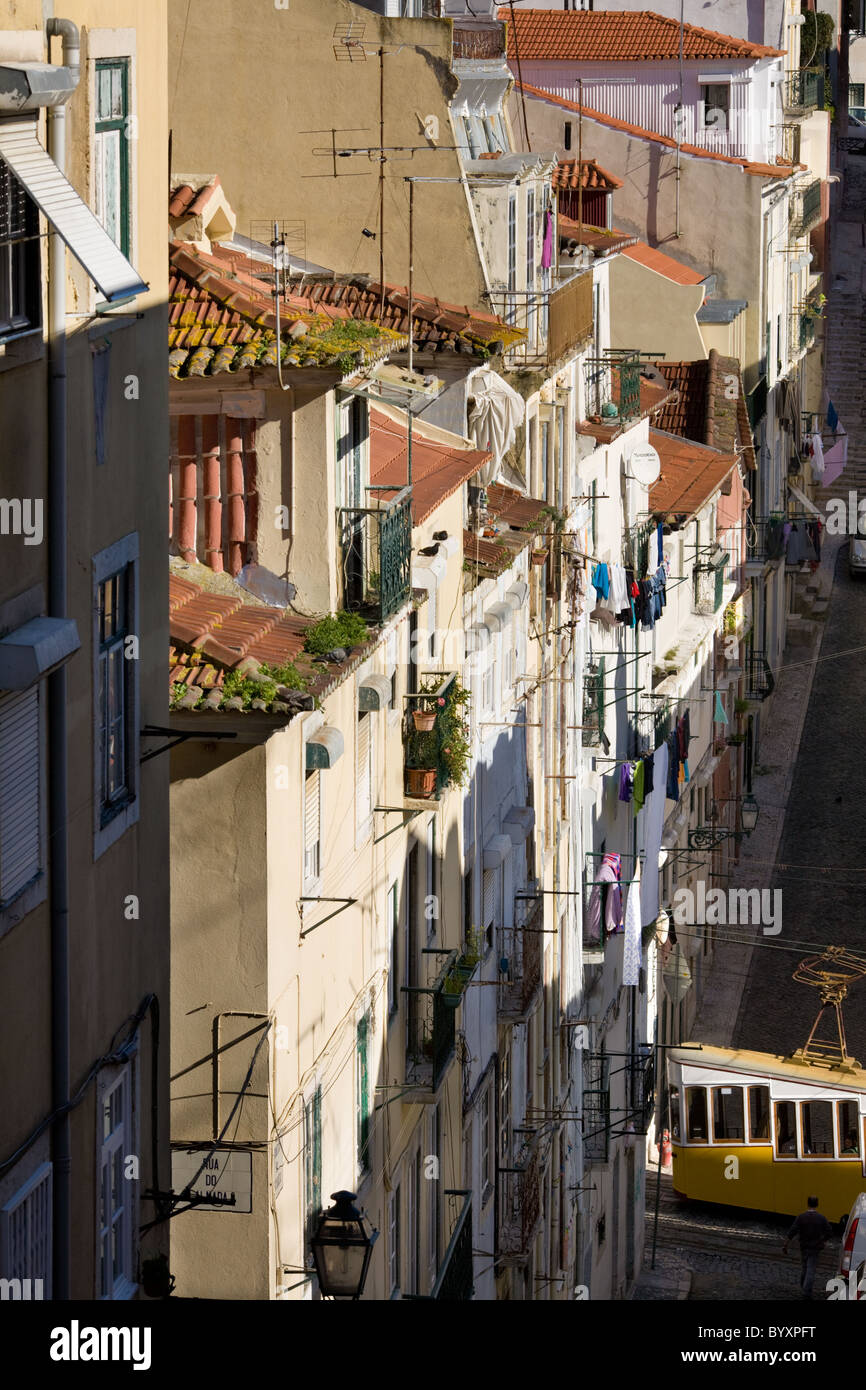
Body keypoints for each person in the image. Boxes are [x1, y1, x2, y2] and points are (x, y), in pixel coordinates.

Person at [782, 1196, 833, 1299]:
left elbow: (792, 1232)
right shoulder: (821, 1218)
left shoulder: (801, 1217)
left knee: (805, 1268)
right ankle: (806, 1292)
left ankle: (803, 1286)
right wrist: (823, 1241)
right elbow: (829, 1232)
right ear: (817, 1204)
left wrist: (785, 1245)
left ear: (807, 1203)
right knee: (811, 1269)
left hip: (804, 1247)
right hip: (815, 1248)